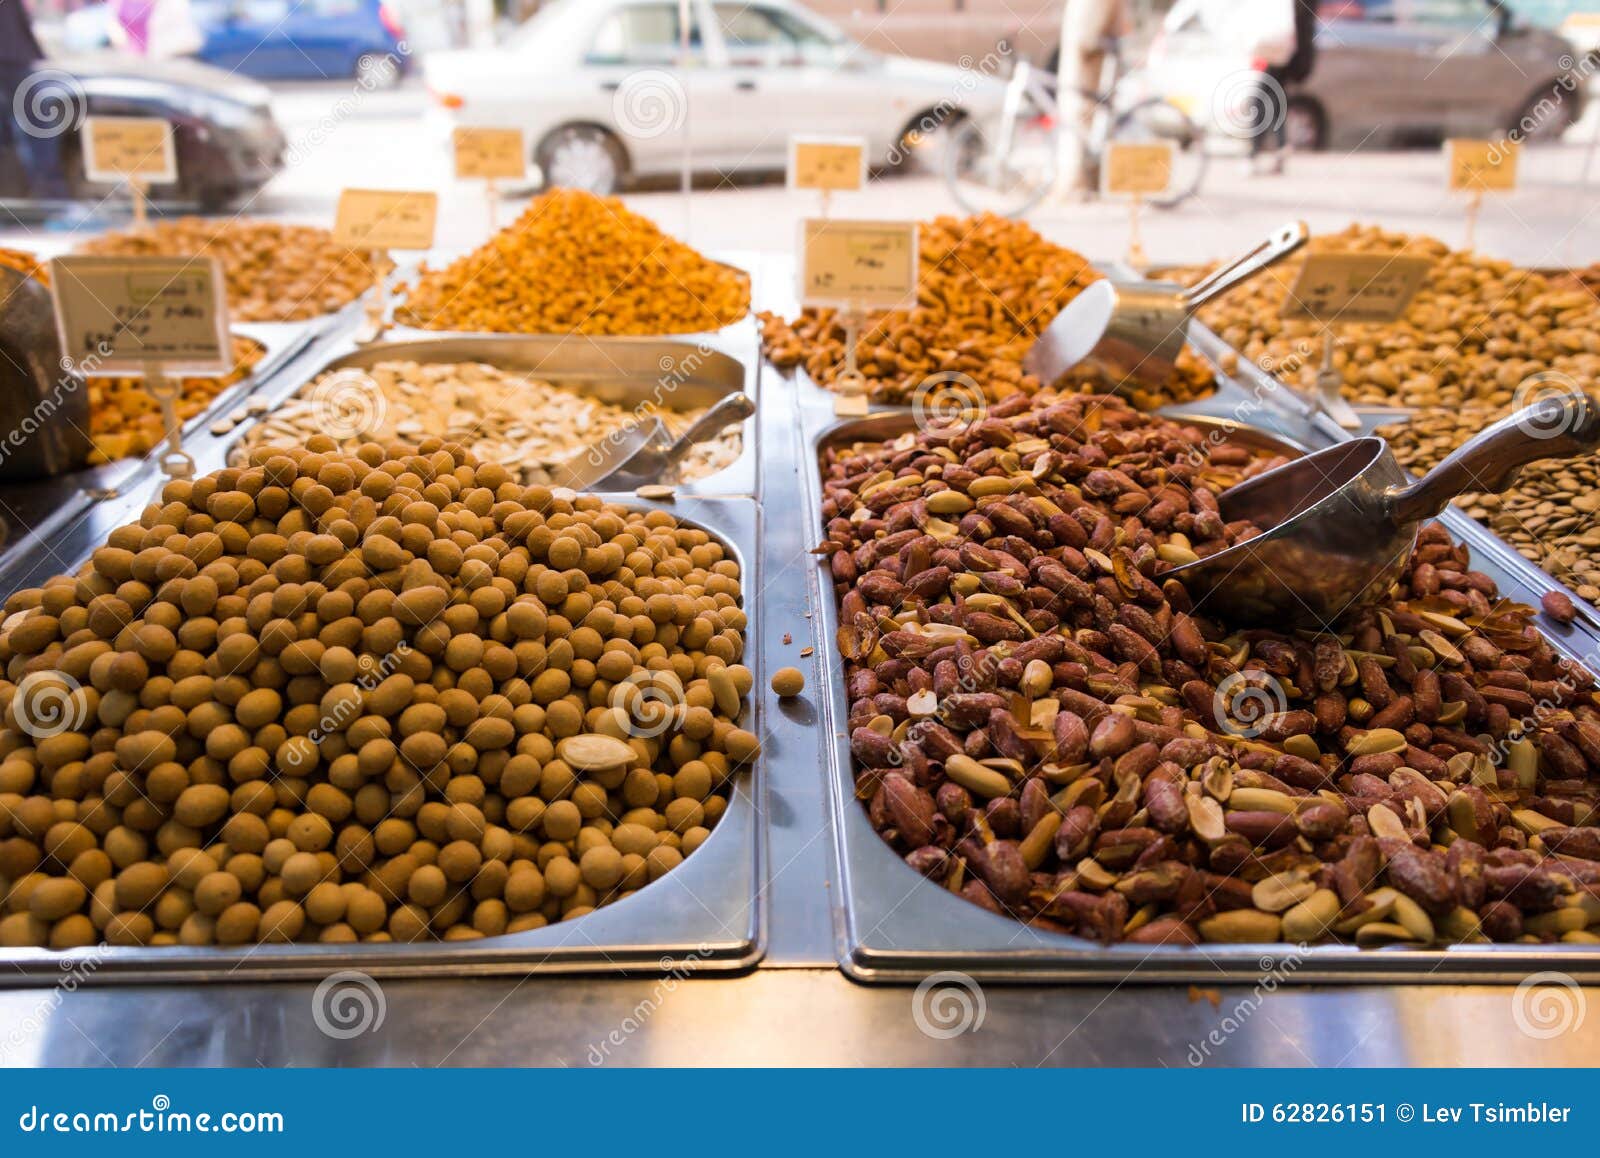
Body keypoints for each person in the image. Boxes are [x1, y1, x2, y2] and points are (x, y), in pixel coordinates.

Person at [0, 0, 73, 204]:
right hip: (11, 55)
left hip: (13, 53)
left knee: (35, 130)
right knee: (36, 130)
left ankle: (52, 201)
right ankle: (53, 201)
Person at [1053, 0, 1128, 197]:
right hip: (1090, 55)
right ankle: (1082, 176)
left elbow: (1088, 40)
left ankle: (1081, 178)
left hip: (1093, 55)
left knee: (1087, 112)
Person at [1242, 0, 1318, 175]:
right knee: (1275, 97)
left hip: (1281, 47)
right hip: (1290, 50)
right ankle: (1281, 147)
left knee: (1259, 98)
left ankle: (1253, 154)